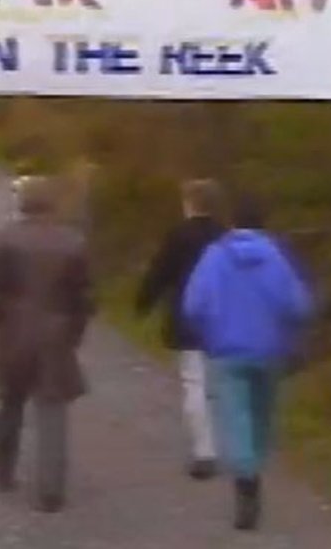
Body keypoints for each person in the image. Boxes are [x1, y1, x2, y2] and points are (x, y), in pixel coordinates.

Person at [182, 195, 314, 531]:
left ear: (233, 222)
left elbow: (194, 304)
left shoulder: (215, 256)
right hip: (270, 351)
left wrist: (210, 328)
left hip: (226, 351)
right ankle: (254, 467)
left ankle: (246, 485)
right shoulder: (278, 257)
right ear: (264, 222)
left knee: (235, 417)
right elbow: (299, 305)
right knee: (262, 416)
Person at [0, 175, 94, 513]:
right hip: (56, 335)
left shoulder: (2, 240)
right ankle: (51, 489)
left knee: (9, 403)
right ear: (51, 203)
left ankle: (1, 469)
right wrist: (73, 333)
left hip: (11, 333)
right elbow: (84, 297)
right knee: (52, 409)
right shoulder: (73, 242)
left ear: (22, 201)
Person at [135, 179, 229, 480]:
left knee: (194, 385)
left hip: (187, 319)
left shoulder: (178, 236)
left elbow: (160, 272)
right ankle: (228, 442)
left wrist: (143, 303)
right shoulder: (226, 237)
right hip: (223, 320)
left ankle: (205, 452)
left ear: (189, 204)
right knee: (219, 384)